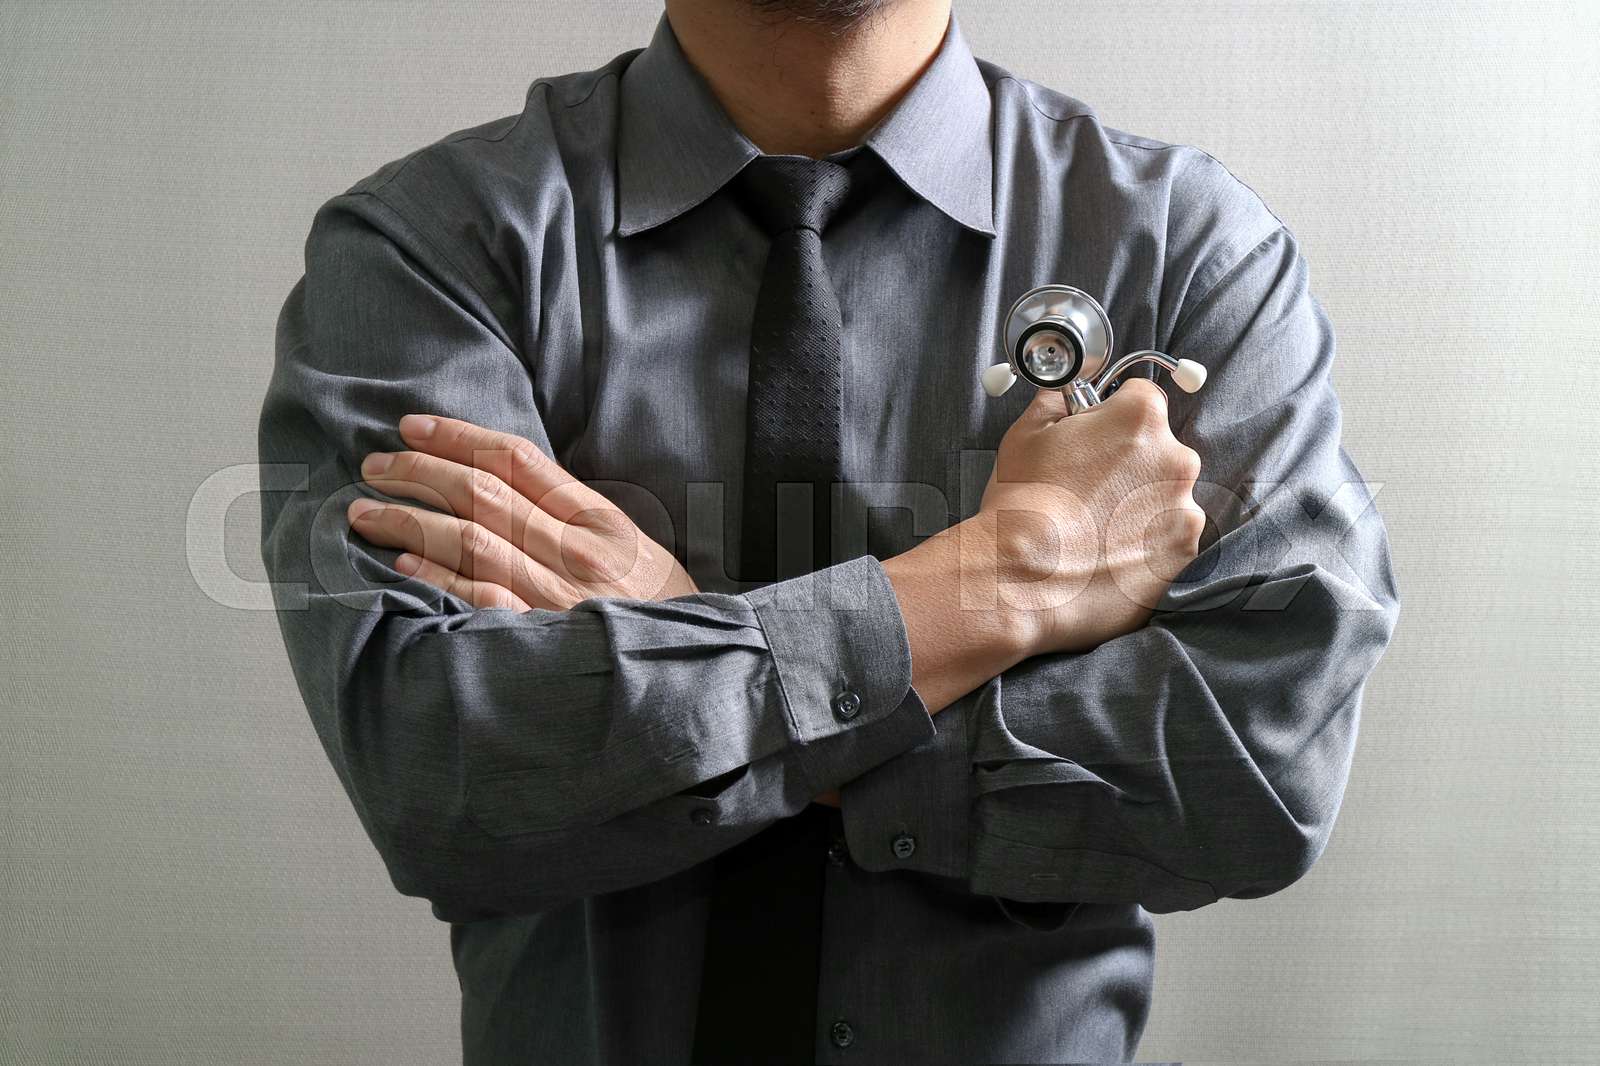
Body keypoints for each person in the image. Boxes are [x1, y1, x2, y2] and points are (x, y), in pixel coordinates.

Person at [258, 0, 1399, 1062]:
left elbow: (1256, 773)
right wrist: (996, 580)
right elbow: (440, 767)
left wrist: (687, 651)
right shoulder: (430, 250)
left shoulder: (1185, 252)